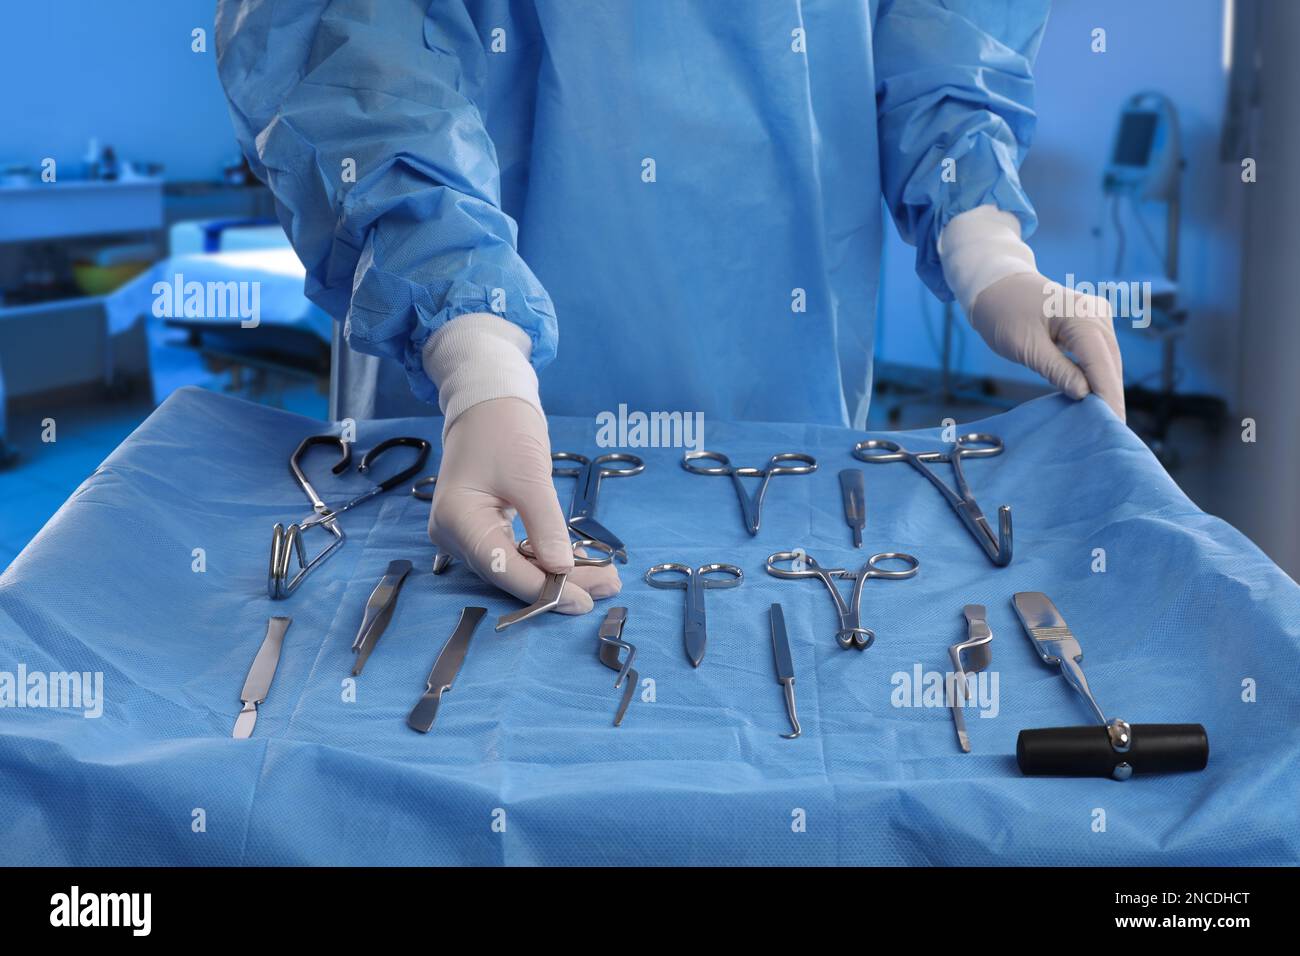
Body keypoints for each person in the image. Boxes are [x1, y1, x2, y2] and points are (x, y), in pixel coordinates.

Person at [216, 0, 1123, 614]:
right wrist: (476, 356)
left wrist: (989, 252)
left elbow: (941, 35)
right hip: (465, 403)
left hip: (776, 377)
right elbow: (356, 46)